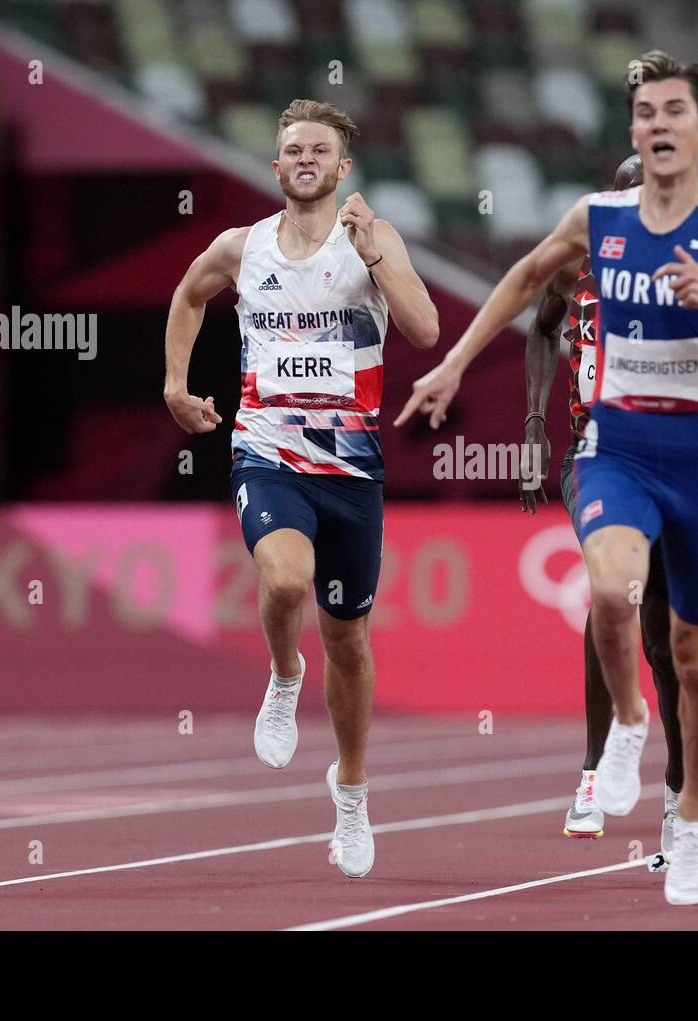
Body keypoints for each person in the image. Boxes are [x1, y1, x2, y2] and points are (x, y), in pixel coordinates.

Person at [399, 50, 698, 904]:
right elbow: (525, 281)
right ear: (633, 131)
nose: (658, 124)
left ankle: (694, 822)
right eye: (645, 113)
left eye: (675, 112)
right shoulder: (598, 216)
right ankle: (627, 722)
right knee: (612, 585)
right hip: (616, 446)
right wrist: (451, 363)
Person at [163, 99, 439, 879]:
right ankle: (284, 674)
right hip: (267, 454)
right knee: (284, 576)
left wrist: (374, 254)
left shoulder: (372, 240)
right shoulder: (240, 246)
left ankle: (351, 794)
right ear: (277, 165)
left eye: (321, 149)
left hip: (350, 471)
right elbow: (188, 295)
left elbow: (421, 330)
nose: (306, 158)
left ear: (342, 167)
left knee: (348, 639)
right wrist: (177, 385)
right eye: (293, 149)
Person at [518, 153, 698, 852]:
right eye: (628, 195)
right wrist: (535, 424)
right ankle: (595, 769)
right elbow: (539, 327)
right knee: (609, 591)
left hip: (679, 463)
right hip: (598, 457)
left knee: (667, 639)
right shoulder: (578, 265)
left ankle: (681, 796)